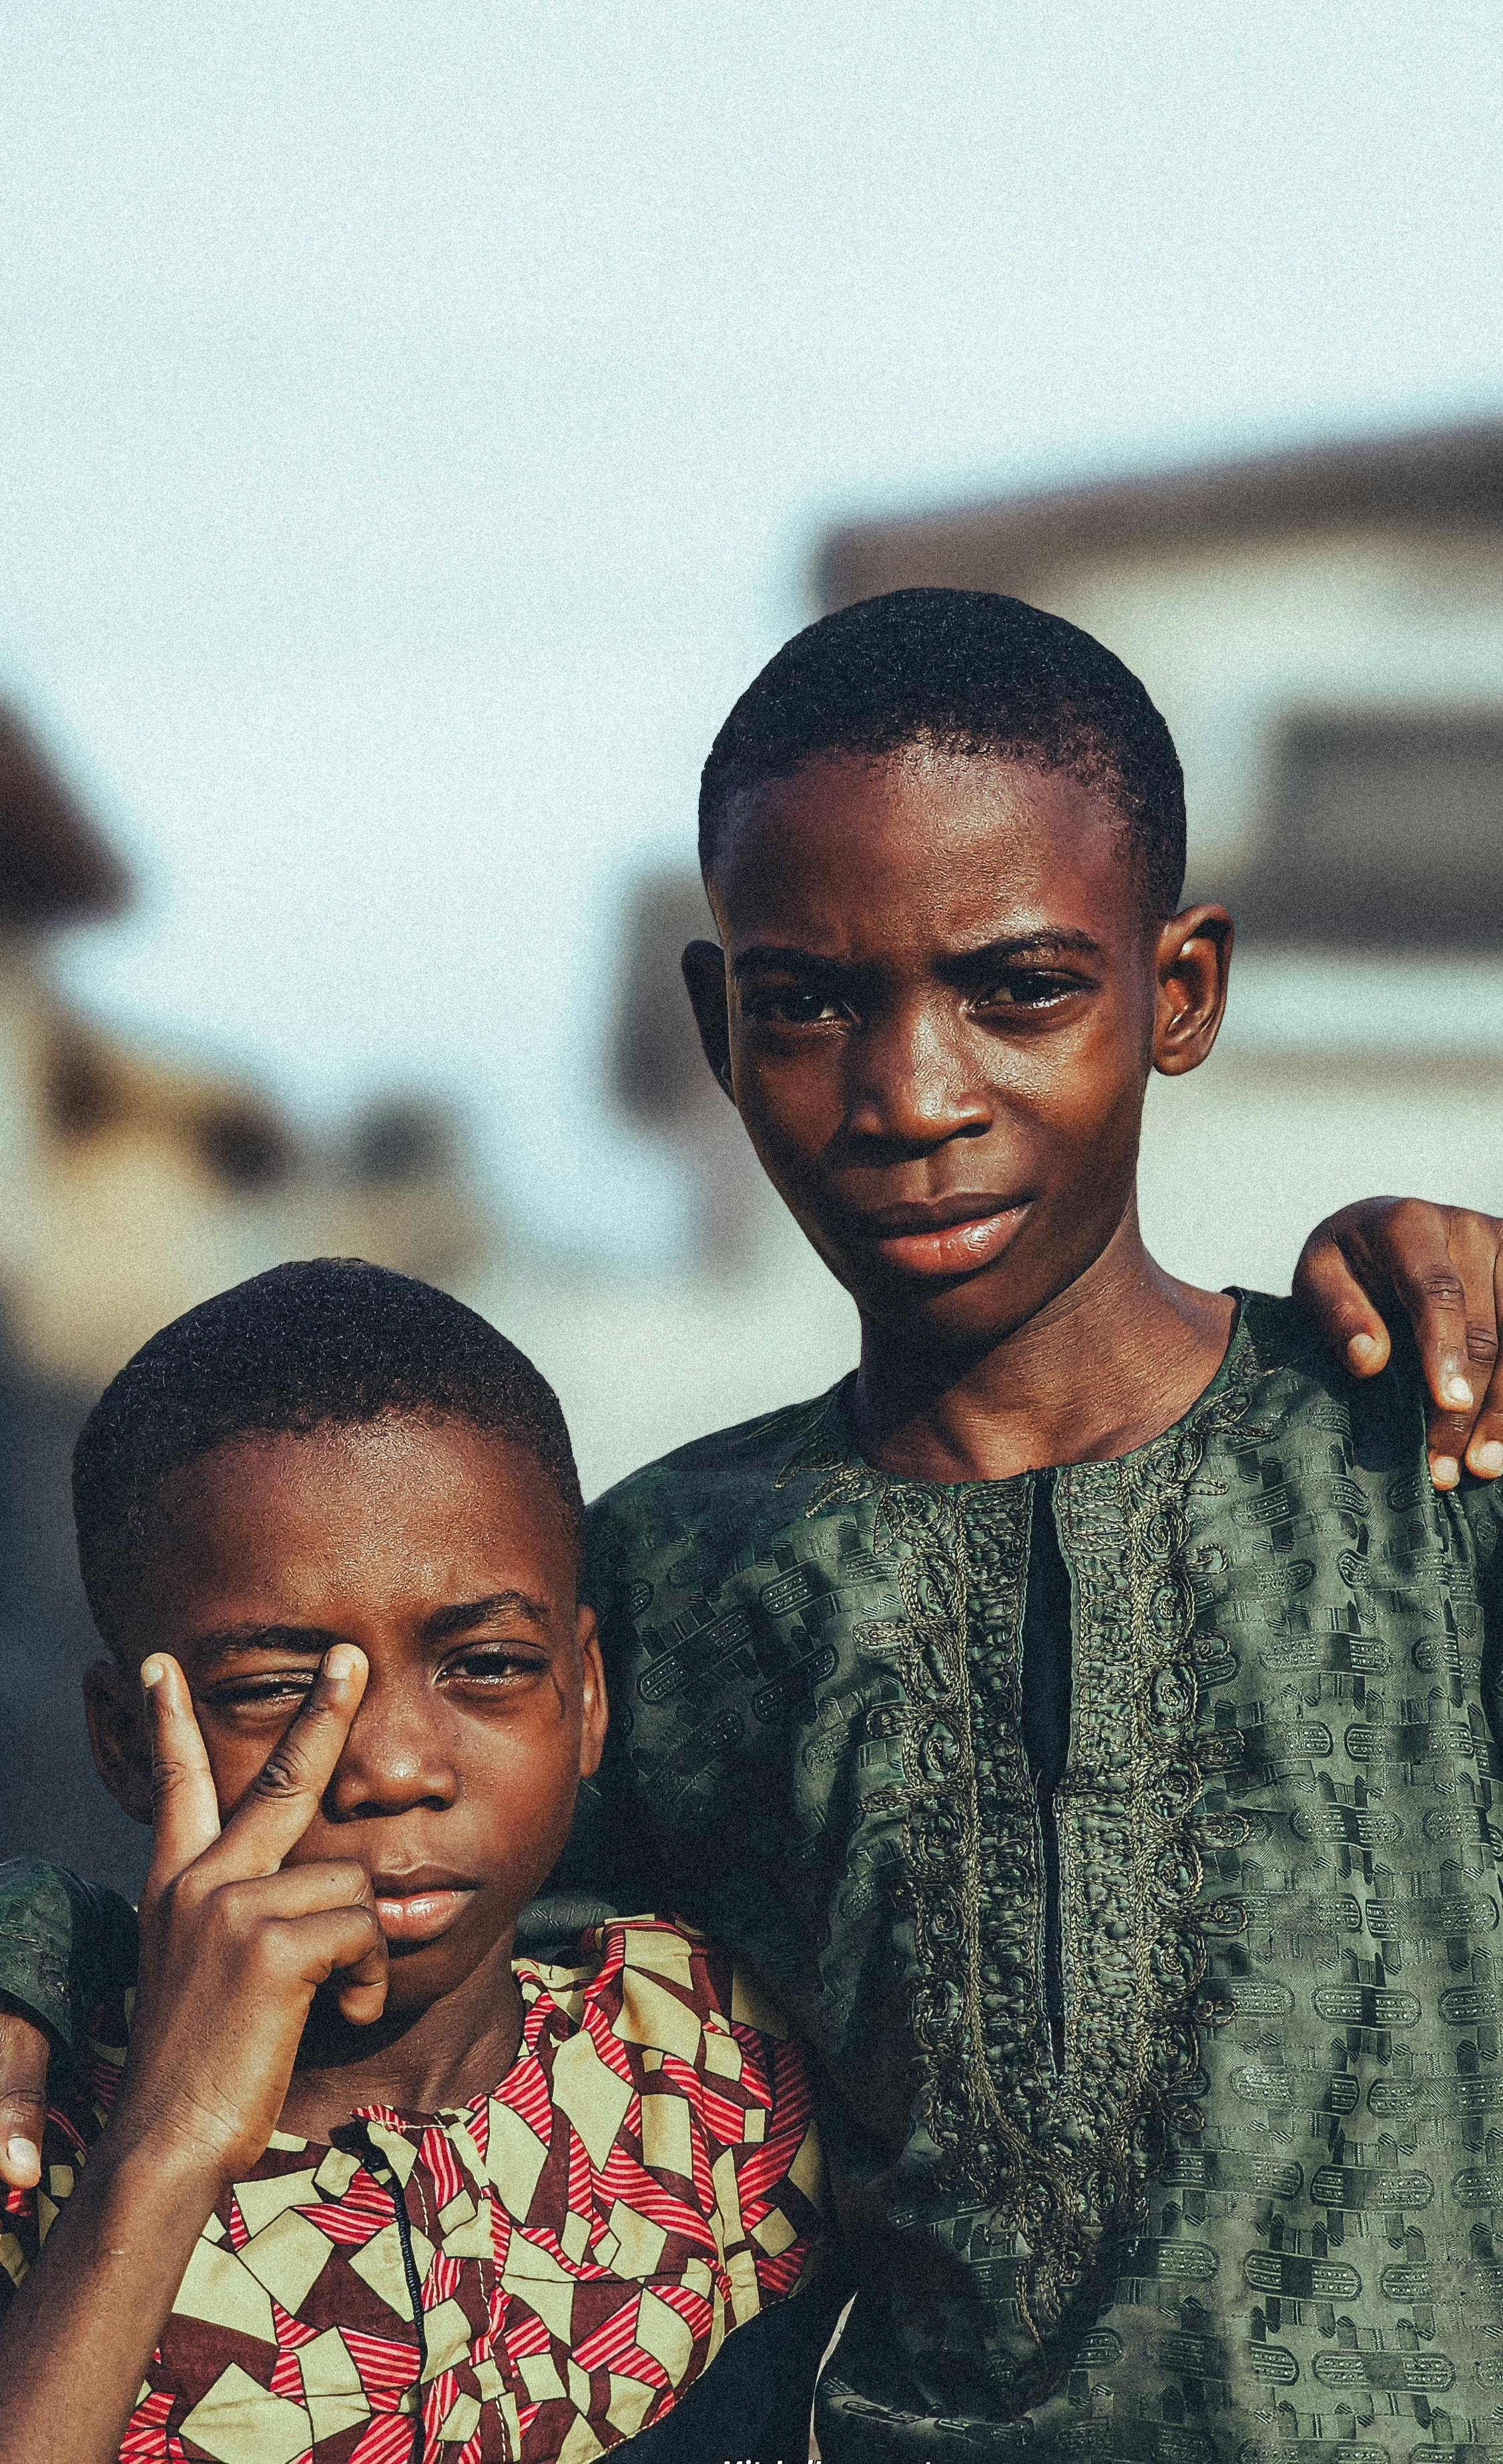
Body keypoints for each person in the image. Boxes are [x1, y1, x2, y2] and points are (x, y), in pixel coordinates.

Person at [5, 588, 1503, 2460]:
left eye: (1018, 986)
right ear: (716, 1022)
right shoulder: (673, 1575)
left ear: (1177, 991)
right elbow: (363, 1916)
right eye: (807, 1000)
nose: (909, 1094)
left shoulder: (1425, 1462)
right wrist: (35, 1973)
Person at [0, 1261, 825, 2463]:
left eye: (487, 1664)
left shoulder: (710, 2060)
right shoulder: (33, 2139)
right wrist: (167, 2144)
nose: (391, 1766)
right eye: (277, 1688)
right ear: (127, 1742)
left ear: (587, 1693)